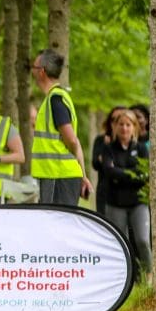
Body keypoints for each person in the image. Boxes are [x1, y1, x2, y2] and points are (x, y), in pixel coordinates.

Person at [31, 49, 91, 205]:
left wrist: (82, 175)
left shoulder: (55, 99)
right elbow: (74, 141)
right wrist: (83, 176)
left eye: (34, 67)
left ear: (42, 72)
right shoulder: (56, 97)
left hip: (58, 175)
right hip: (58, 175)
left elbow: (71, 140)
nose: (32, 71)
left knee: (55, 226)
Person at [101, 110, 152, 280]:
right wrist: (131, 174)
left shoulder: (141, 149)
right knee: (119, 242)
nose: (124, 128)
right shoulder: (108, 149)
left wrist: (121, 173)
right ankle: (121, 278)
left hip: (138, 202)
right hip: (115, 203)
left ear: (134, 128)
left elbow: (144, 175)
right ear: (115, 127)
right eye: (121, 124)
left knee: (143, 240)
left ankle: (149, 276)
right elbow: (108, 171)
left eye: (128, 125)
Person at [92, 106, 128, 216]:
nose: (118, 123)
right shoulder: (101, 140)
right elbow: (96, 163)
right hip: (105, 191)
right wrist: (105, 147)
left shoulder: (132, 144)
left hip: (126, 193)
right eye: (114, 119)